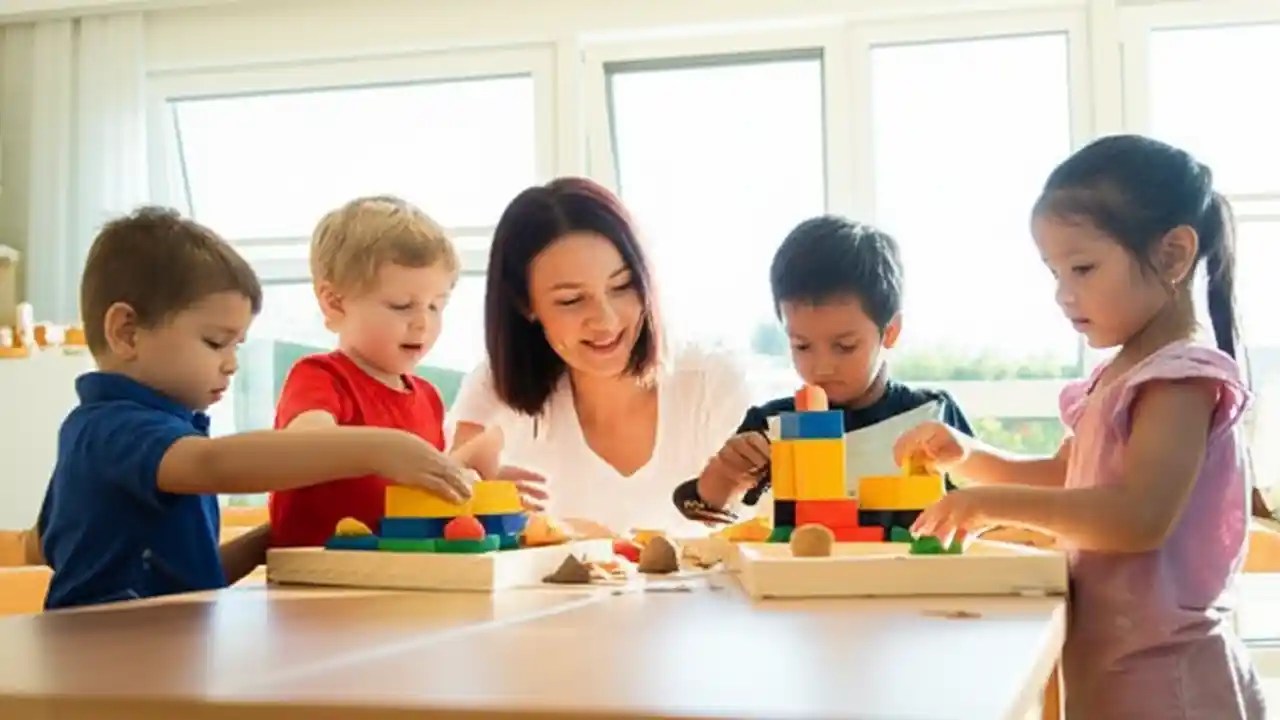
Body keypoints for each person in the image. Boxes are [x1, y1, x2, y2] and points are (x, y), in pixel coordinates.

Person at [894, 135, 1265, 719]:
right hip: (1117, 667)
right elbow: (1068, 475)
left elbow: (1137, 518)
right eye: (1055, 272)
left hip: (1170, 682)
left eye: (1083, 268)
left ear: (1173, 255)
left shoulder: (1178, 378)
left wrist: (992, 503)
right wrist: (966, 457)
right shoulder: (1122, 375)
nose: (1064, 295)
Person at [37, 207, 475, 610]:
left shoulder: (145, 433)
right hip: (102, 655)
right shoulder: (113, 427)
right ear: (126, 332)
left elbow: (187, 580)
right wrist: (380, 448)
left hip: (155, 645)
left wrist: (270, 542)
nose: (231, 363)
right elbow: (213, 464)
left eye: (237, 345)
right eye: (214, 342)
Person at [449, 177, 751, 535]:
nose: (606, 320)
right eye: (571, 300)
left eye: (622, 286)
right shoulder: (496, 386)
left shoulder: (708, 380)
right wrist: (481, 500)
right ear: (525, 304)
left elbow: (759, 531)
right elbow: (448, 504)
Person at [671, 215, 973, 531]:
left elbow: (983, 508)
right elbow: (706, 511)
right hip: (800, 579)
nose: (821, 367)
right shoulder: (774, 425)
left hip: (912, 579)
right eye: (802, 346)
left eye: (845, 346)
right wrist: (726, 474)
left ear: (890, 332)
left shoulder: (931, 415)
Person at [268, 196, 503, 548]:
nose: (423, 322)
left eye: (436, 306)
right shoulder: (319, 377)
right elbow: (304, 444)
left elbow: (415, 496)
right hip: (318, 581)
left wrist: (479, 489)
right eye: (402, 306)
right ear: (335, 303)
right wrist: (385, 449)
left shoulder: (427, 397)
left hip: (399, 574)